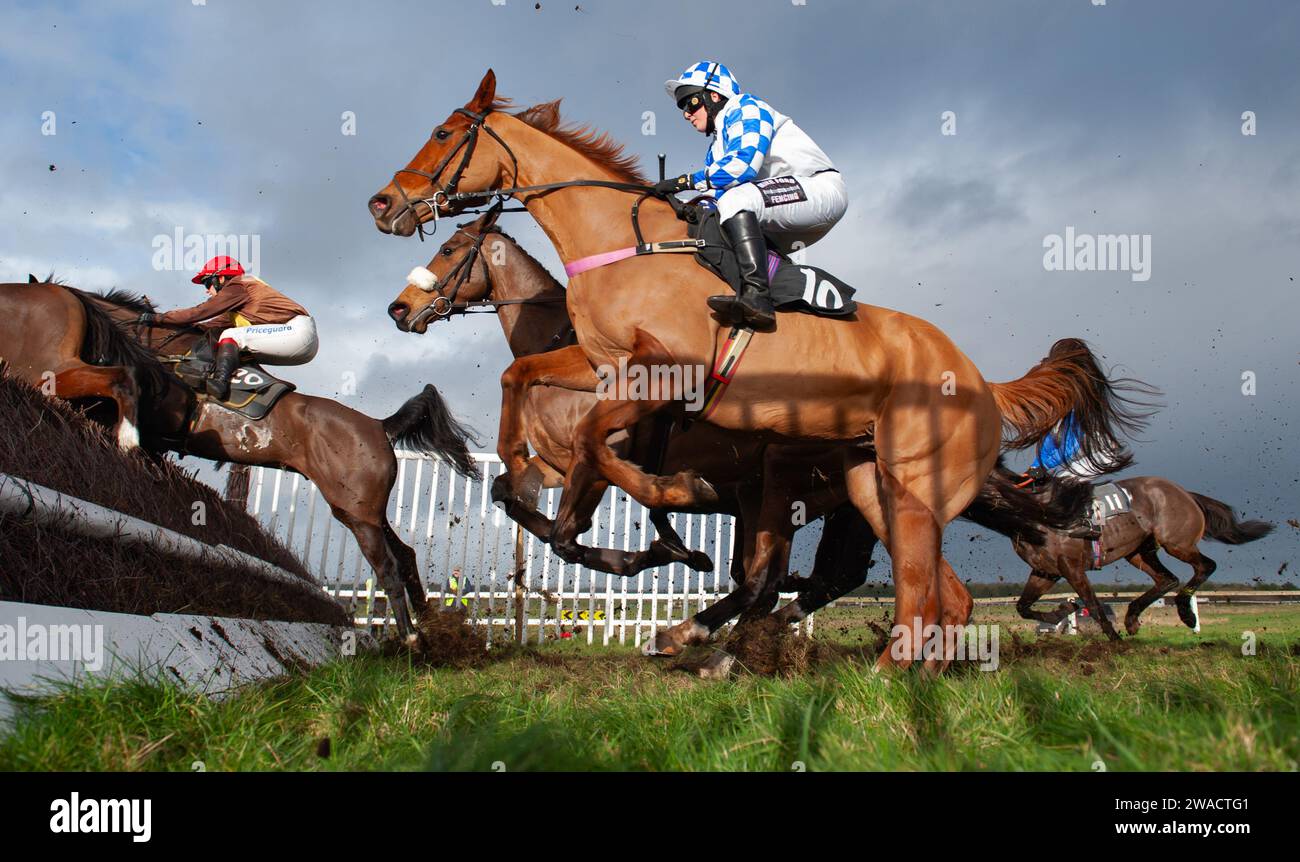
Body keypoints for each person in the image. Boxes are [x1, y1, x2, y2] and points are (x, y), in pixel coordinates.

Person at [656, 61, 848, 331]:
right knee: (711, 225)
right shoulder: (715, 148)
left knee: (736, 200)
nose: (686, 114)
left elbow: (742, 167)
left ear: (714, 95)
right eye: (682, 108)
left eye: (690, 103)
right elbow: (714, 198)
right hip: (780, 207)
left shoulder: (744, 107)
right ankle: (783, 296)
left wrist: (683, 182)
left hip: (819, 188)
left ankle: (757, 297)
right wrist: (683, 206)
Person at [137, 256, 318, 400]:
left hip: (298, 333)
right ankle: (270, 386)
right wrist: (169, 325)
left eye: (207, 283)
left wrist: (158, 318)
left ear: (221, 278)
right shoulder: (237, 307)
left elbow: (198, 313)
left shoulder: (238, 285)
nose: (207, 290)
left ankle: (220, 384)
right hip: (295, 339)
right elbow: (203, 326)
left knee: (231, 336)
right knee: (226, 341)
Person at [1026, 411, 1105, 539]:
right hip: (1080, 457)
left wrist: (1040, 469)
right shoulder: (1051, 425)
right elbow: (1044, 454)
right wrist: (1030, 472)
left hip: (1100, 454)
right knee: (1047, 481)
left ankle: (1091, 524)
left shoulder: (1073, 416)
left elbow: (1070, 449)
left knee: (1065, 480)